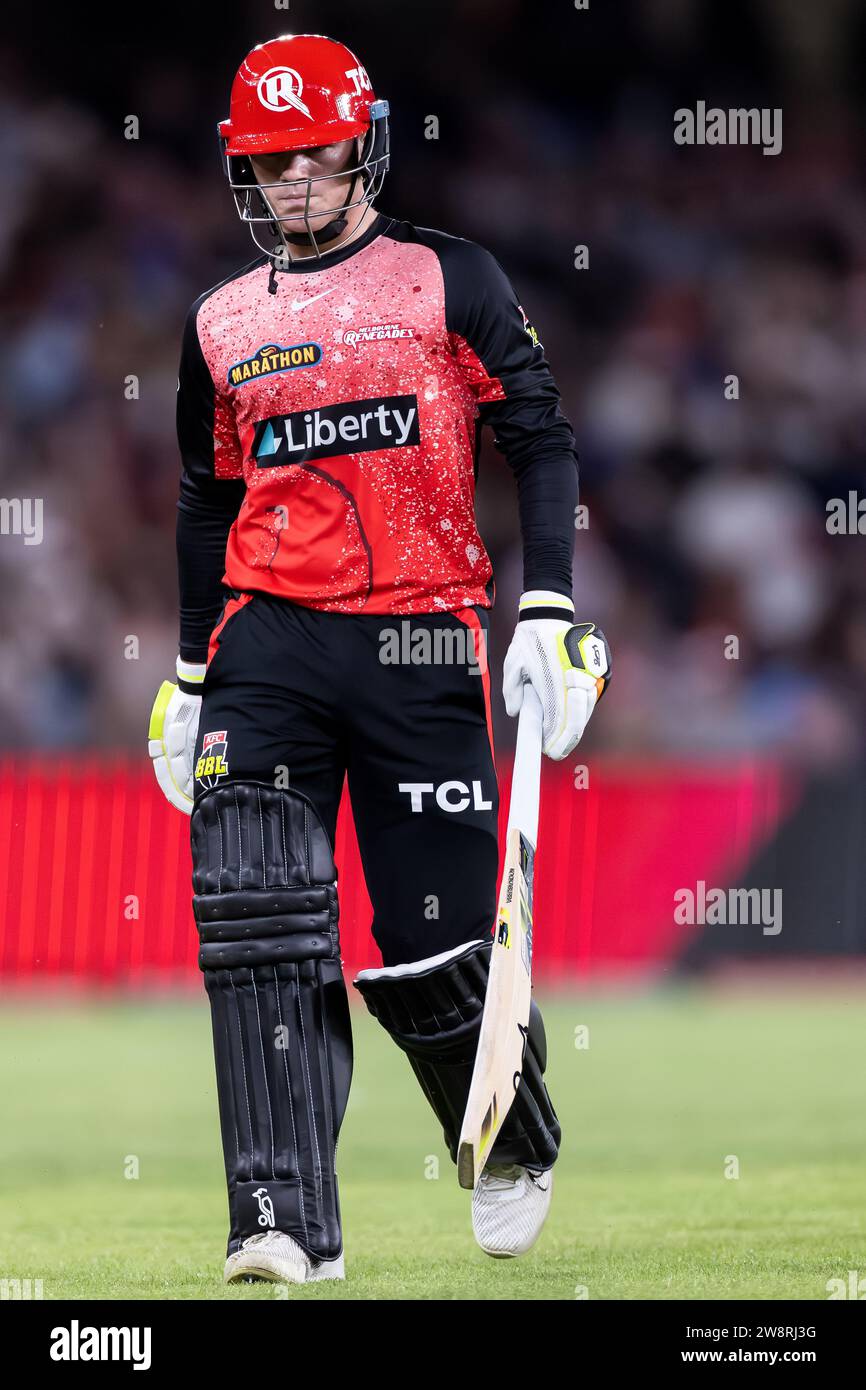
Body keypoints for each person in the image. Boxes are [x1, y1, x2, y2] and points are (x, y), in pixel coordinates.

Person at [148, 32, 610, 1285]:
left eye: (312, 156)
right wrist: (193, 675)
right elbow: (206, 498)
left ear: (364, 144)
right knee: (257, 924)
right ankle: (278, 1218)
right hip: (269, 641)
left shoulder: (446, 278)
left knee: (433, 942)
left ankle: (510, 1138)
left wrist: (549, 608)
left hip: (418, 632)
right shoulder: (220, 321)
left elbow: (541, 437)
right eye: (267, 163)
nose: (293, 183)